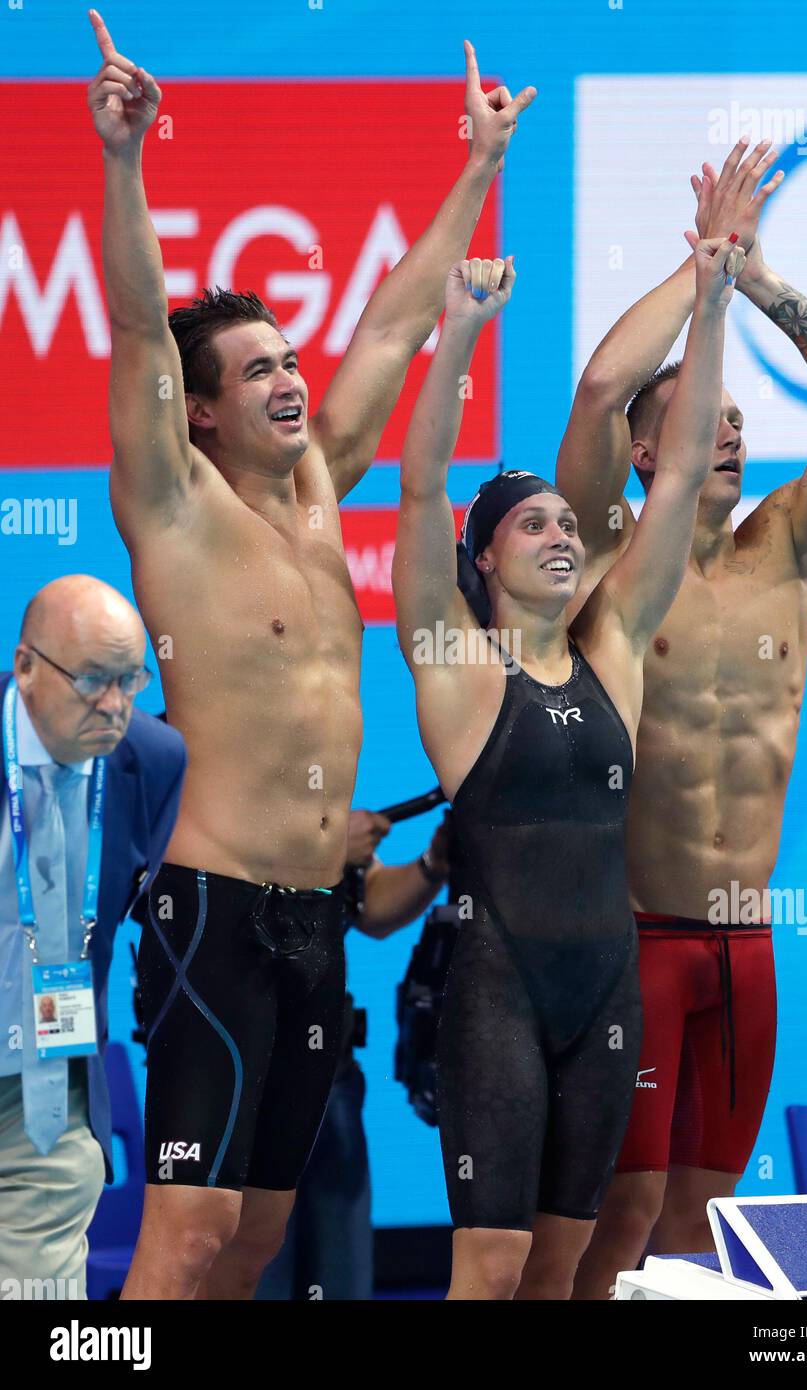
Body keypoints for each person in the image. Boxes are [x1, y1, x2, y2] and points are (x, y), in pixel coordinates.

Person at [86, 9, 534, 1300]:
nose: (290, 379)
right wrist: (123, 164)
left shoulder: (323, 494)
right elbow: (129, 331)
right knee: (183, 1230)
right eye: (257, 369)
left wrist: (476, 167)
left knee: (258, 1236)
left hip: (313, 917)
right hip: (212, 912)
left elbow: (391, 330)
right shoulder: (175, 506)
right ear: (203, 407)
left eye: (291, 356)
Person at [557, 138, 807, 1298]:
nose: (730, 431)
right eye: (702, 415)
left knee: (704, 1225)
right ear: (644, 456)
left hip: (743, 944)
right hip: (639, 937)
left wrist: (756, 281)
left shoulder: (786, 549)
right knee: (619, 1218)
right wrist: (697, 279)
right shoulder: (608, 552)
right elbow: (604, 389)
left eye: (736, 417)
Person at [392, 234, 742, 1299]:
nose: (558, 533)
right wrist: (459, 333)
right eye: (530, 522)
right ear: (485, 554)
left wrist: (713, 297)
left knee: (562, 1266)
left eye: (565, 521)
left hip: (605, 992)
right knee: (489, 1268)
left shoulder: (614, 651)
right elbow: (416, 494)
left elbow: (677, 469)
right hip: (493, 996)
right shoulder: (455, 660)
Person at [0, 576, 185, 1298]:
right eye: (90, 681)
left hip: (48, 1080)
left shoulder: (153, 760)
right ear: (26, 668)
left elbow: (142, 905)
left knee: (39, 1291)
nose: (113, 705)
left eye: (129, 680)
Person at [256, 809, 450, 1301]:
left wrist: (434, 863)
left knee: (342, 1277)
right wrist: (318, 849)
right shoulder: (194, 764)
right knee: (255, 1272)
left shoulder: (311, 772)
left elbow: (370, 908)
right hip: (243, 1084)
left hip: (330, 1080)